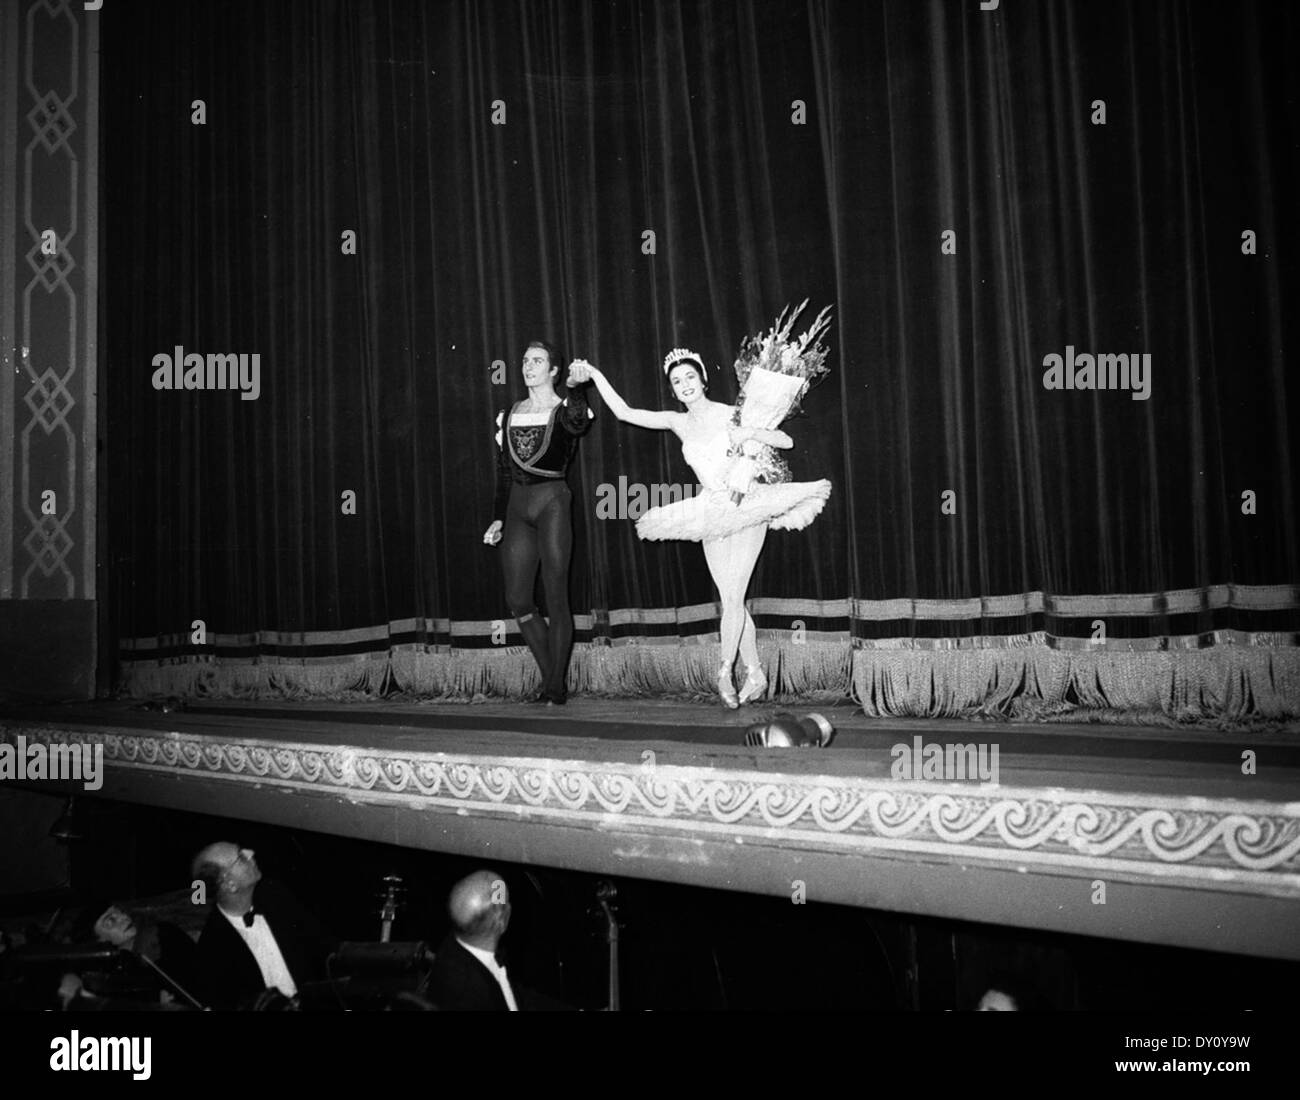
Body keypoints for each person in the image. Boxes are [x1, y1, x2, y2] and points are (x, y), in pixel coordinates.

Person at [573, 352, 830, 707]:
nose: (685, 385)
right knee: (731, 601)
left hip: (747, 507)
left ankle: (724, 671)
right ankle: (755, 672)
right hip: (711, 511)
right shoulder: (678, 423)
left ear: (703, 379)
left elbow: (786, 441)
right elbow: (625, 413)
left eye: (690, 377)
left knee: (732, 599)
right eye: (677, 382)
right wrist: (596, 374)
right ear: (674, 392)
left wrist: (749, 432)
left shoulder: (730, 413)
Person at [482, 341, 594, 704]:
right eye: (526, 360)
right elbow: (503, 472)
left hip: (553, 504)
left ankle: (554, 687)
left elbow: (578, 423)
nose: (529, 367)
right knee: (517, 598)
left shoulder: (565, 410)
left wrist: (576, 389)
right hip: (517, 506)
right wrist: (498, 518)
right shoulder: (509, 414)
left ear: (554, 371)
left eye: (538, 361)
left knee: (556, 595)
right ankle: (553, 677)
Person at [190, 842, 336, 1009]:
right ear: (230, 884)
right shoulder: (212, 948)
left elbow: (323, 945)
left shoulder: (275, 894)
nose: (251, 853)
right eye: (241, 857)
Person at [427, 870, 520, 1011]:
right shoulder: (471, 994)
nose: (507, 906)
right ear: (501, 921)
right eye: (504, 903)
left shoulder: (450, 948)